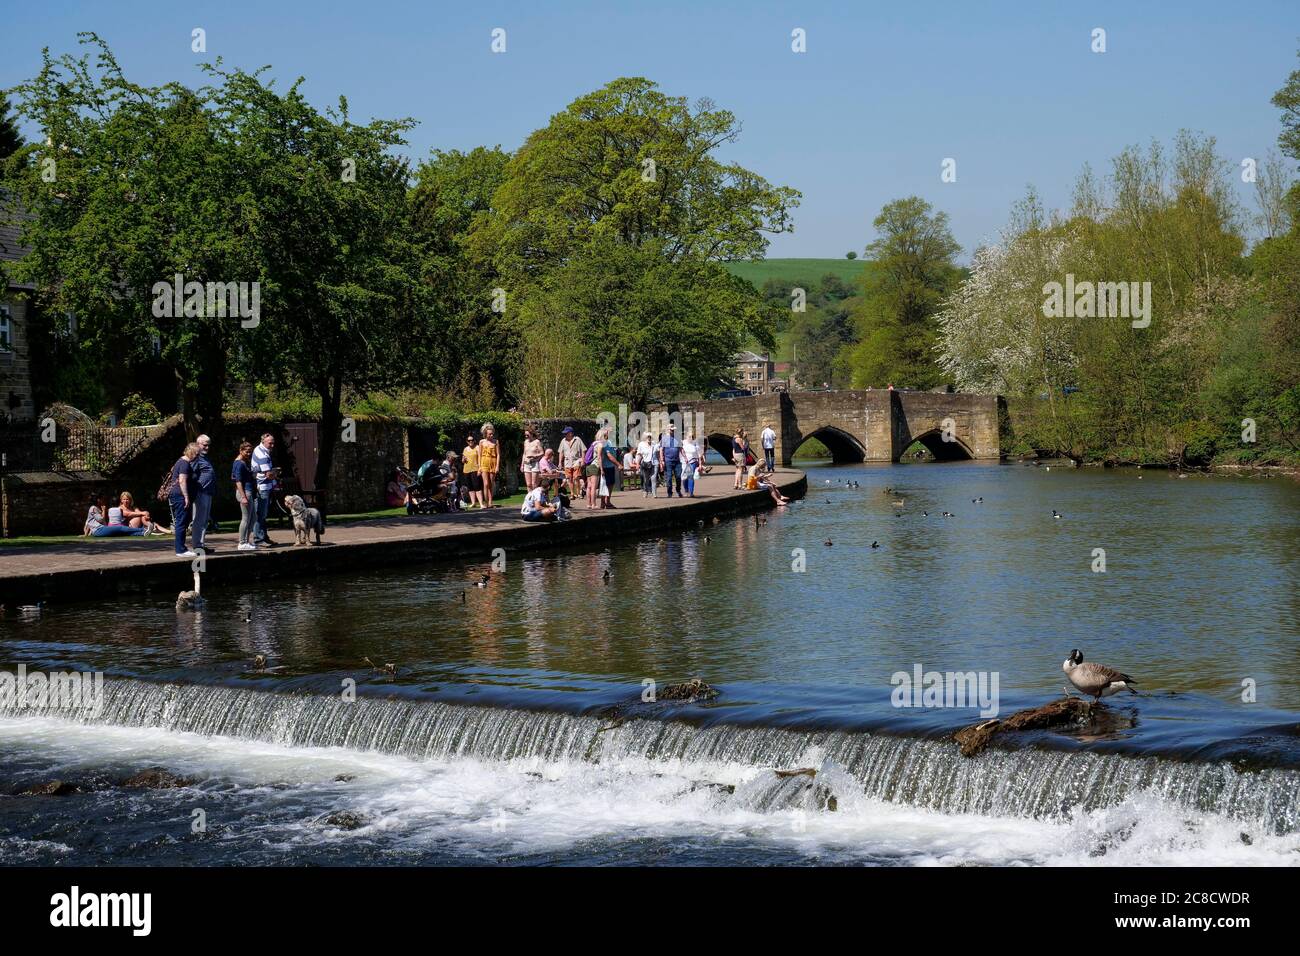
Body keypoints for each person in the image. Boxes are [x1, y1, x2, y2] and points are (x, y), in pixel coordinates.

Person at [169, 442, 199, 556]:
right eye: (196, 453)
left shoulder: (180, 461)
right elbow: (182, 480)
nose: (197, 456)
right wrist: (186, 497)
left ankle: (181, 547)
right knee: (181, 521)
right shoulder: (184, 463)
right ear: (190, 452)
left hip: (178, 495)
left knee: (183, 521)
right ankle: (180, 549)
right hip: (180, 495)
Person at [251, 432, 279, 547]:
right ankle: (258, 539)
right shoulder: (262, 454)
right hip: (262, 487)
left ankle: (264, 537)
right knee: (260, 514)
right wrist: (276, 473)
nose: (272, 445)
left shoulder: (263, 451)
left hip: (265, 486)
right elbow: (268, 474)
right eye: (270, 443)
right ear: (263, 442)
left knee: (263, 514)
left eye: (273, 443)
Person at [233, 441, 257, 550]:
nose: (249, 454)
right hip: (244, 493)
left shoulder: (243, 462)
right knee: (246, 518)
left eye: (250, 452)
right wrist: (243, 496)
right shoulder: (238, 463)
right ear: (241, 450)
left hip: (248, 491)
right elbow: (237, 481)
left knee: (253, 518)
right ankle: (242, 543)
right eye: (247, 452)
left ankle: (246, 541)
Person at [558, 427, 586, 500]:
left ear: (571, 433)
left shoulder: (578, 439)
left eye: (566, 433)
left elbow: (583, 450)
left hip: (576, 461)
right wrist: (560, 462)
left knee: (576, 477)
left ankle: (578, 493)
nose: (565, 434)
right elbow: (561, 452)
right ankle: (572, 494)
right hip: (567, 462)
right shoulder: (563, 441)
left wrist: (583, 460)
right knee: (569, 478)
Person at [478, 423, 500, 508]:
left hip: (493, 462)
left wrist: (497, 466)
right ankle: (485, 502)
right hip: (484, 462)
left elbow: (498, 454)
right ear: (485, 434)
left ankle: (490, 502)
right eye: (489, 434)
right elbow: (479, 455)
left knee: (491, 483)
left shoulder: (496, 442)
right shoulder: (481, 442)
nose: (491, 435)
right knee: (486, 484)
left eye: (492, 433)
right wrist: (479, 466)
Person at [659, 422, 684, 498]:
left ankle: (678, 490)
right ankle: (669, 492)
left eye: (674, 430)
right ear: (668, 430)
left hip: (677, 461)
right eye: (672, 430)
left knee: (678, 477)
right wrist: (662, 460)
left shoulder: (678, 438)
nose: (673, 431)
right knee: (669, 477)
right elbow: (661, 450)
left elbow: (681, 449)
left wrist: (685, 458)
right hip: (668, 461)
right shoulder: (664, 439)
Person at [461, 434, 484, 509]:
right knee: (470, 487)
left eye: (472, 440)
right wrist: (463, 460)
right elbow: (463, 460)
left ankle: (481, 504)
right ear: (467, 442)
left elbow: (481, 459)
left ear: (474, 441)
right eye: (469, 440)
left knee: (477, 487)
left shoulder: (477, 448)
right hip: (466, 470)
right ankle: (473, 503)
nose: (470, 441)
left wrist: (480, 469)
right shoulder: (465, 449)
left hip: (475, 469)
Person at [520, 427, 544, 491]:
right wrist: (522, 465)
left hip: (534, 464)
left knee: (534, 484)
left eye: (527, 435)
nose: (526, 436)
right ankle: (529, 498)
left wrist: (535, 456)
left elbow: (542, 453)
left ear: (532, 434)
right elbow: (524, 454)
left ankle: (535, 498)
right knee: (528, 484)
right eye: (525, 435)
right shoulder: (526, 442)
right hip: (526, 464)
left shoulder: (537, 442)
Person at [635, 431, 656, 498]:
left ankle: (653, 493)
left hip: (652, 463)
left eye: (650, 437)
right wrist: (637, 464)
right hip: (644, 464)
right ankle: (645, 491)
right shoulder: (641, 444)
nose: (649, 438)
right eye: (648, 437)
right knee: (646, 479)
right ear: (645, 438)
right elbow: (639, 454)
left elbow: (657, 453)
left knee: (653, 478)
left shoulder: (653, 444)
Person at [682, 431, 701, 498]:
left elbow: (699, 454)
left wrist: (700, 464)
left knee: (690, 476)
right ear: (686, 436)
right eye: (689, 436)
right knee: (684, 478)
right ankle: (686, 491)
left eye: (692, 436)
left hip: (693, 461)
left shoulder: (695, 443)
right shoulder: (683, 442)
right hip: (684, 462)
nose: (691, 438)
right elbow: (680, 451)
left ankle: (691, 492)